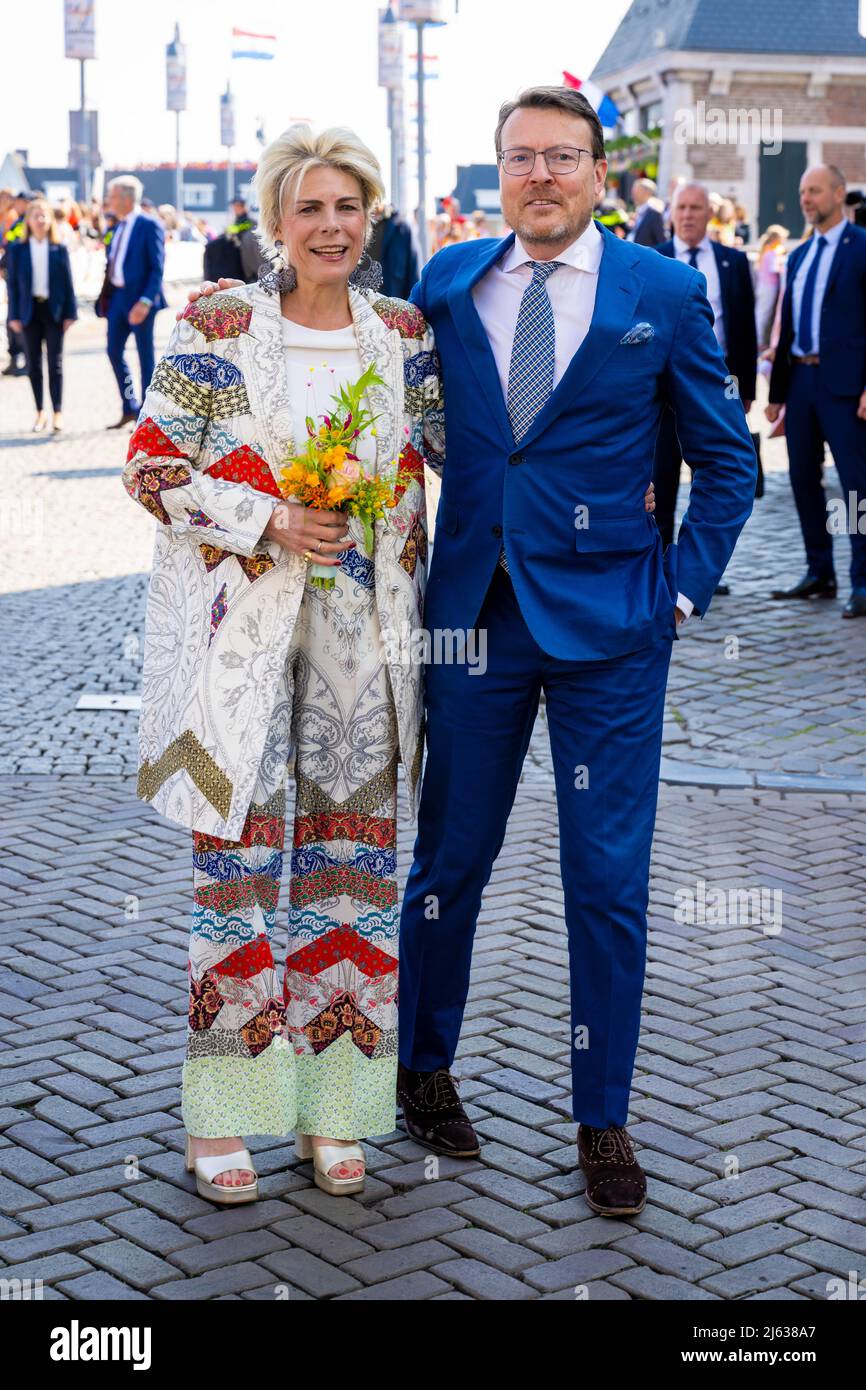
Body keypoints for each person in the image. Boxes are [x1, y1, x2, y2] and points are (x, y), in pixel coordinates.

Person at [393, 85, 755, 1217]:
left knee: (605, 882)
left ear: (599, 172)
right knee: (447, 864)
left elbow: (726, 460)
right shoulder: (447, 284)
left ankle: (602, 1117)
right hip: (470, 623)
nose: (537, 176)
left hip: (613, 632)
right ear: (495, 174)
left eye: (559, 158)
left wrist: (679, 595)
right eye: (517, 159)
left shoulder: (660, 290)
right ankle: (420, 1068)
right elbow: (371, 406)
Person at [122, 123, 443, 1204]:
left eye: (348, 206)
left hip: (365, 653)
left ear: (371, 218)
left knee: (353, 880)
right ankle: (228, 1118)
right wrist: (267, 518)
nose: (330, 226)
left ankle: (334, 1110)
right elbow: (152, 467)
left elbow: (469, 455)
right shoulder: (219, 323)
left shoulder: (401, 334)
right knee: (241, 879)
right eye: (309, 207)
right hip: (241, 649)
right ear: (274, 222)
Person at [767, 164, 866, 617]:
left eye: (815, 191)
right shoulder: (801, 255)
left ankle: (862, 582)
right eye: (803, 191)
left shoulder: (861, 247)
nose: (806, 199)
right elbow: (787, 326)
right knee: (804, 480)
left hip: (846, 385)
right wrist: (778, 394)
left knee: (855, 487)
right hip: (802, 383)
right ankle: (818, 572)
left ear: (839, 194)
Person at [652, 182, 758, 562]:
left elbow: (744, 327)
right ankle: (658, 559)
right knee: (659, 477)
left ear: (709, 214)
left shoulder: (732, 261)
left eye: (695, 208)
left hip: (713, 391)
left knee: (711, 477)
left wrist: (744, 390)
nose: (687, 215)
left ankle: (700, 564)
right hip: (660, 393)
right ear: (671, 214)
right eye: (681, 208)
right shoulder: (653, 259)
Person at [96, 175, 167, 429]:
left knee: (146, 356)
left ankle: (148, 416)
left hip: (141, 300)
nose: (108, 201)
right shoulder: (116, 226)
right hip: (118, 298)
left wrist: (146, 301)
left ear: (126, 197)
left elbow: (157, 267)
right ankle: (129, 406)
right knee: (113, 351)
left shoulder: (149, 225)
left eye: (112, 196)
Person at [6, 196, 77, 433]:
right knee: (33, 364)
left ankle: (58, 411)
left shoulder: (59, 249)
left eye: (44, 216)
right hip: (28, 311)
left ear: (50, 221)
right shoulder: (18, 250)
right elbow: (13, 286)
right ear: (28, 221)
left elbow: (68, 283)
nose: (40, 220)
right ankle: (40, 412)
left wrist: (71, 313)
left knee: (55, 364)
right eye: (35, 216)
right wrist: (13, 316)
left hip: (53, 311)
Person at [2, 190, 30, 375]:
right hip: (12, 276)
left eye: (20, 202)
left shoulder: (28, 222)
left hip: (23, 278)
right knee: (12, 320)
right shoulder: (18, 222)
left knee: (22, 319)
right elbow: (8, 245)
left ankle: (28, 360)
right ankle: (15, 358)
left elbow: (15, 247)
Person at [367, 201, 419, 299]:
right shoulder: (354, 225)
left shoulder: (401, 228)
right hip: (356, 307)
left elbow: (413, 278)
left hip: (391, 308)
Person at [755, 224, 788, 351]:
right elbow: (775, 269)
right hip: (768, 286)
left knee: (763, 314)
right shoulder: (772, 252)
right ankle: (759, 341)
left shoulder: (768, 251)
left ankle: (760, 339)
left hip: (765, 286)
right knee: (763, 314)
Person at [627, 177, 666, 247]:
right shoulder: (640, 210)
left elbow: (661, 241)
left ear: (647, 192)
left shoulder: (654, 213)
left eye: (637, 190)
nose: (633, 193)